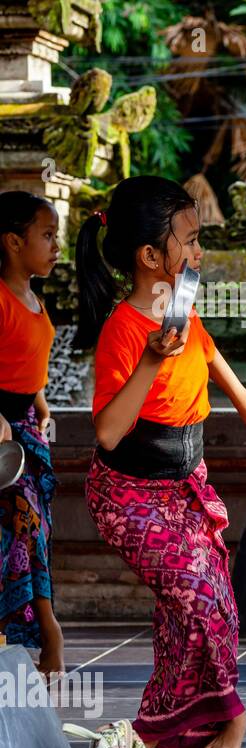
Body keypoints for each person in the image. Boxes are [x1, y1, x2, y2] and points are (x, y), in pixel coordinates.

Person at [76, 176, 246, 748]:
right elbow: (107, 432)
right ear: (151, 256)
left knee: (201, 609)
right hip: (130, 495)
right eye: (191, 241)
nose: (199, 254)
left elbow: (205, 353)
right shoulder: (124, 331)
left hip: (185, 483)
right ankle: (230, 712)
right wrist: (151, 360)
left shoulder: (178, 309)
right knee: (201, 600)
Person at [0, 191, 64, 674]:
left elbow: (30, 367)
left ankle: (36, 632)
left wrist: (41, 404)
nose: (55, 244)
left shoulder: (35, 300)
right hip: (1, 435)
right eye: (46, 235)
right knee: (27, 529)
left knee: (33, 534)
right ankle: (48, 632)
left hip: (26, 430)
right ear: (13, 242)